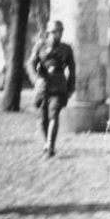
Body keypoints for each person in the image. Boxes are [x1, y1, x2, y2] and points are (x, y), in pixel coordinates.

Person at [26, 20, 75, 158]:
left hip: (59, 85)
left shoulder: (66, 49)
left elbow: (72, 69)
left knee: (53, 114)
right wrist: (36, 79)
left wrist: (71, 86)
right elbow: (30, 64)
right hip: (43, 85)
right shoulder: (40, 46)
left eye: (59, 32)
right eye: (54, 32)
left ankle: (50, 146)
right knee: (42, 119)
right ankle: (46, 142)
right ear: (48, 33)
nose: (56, 35)